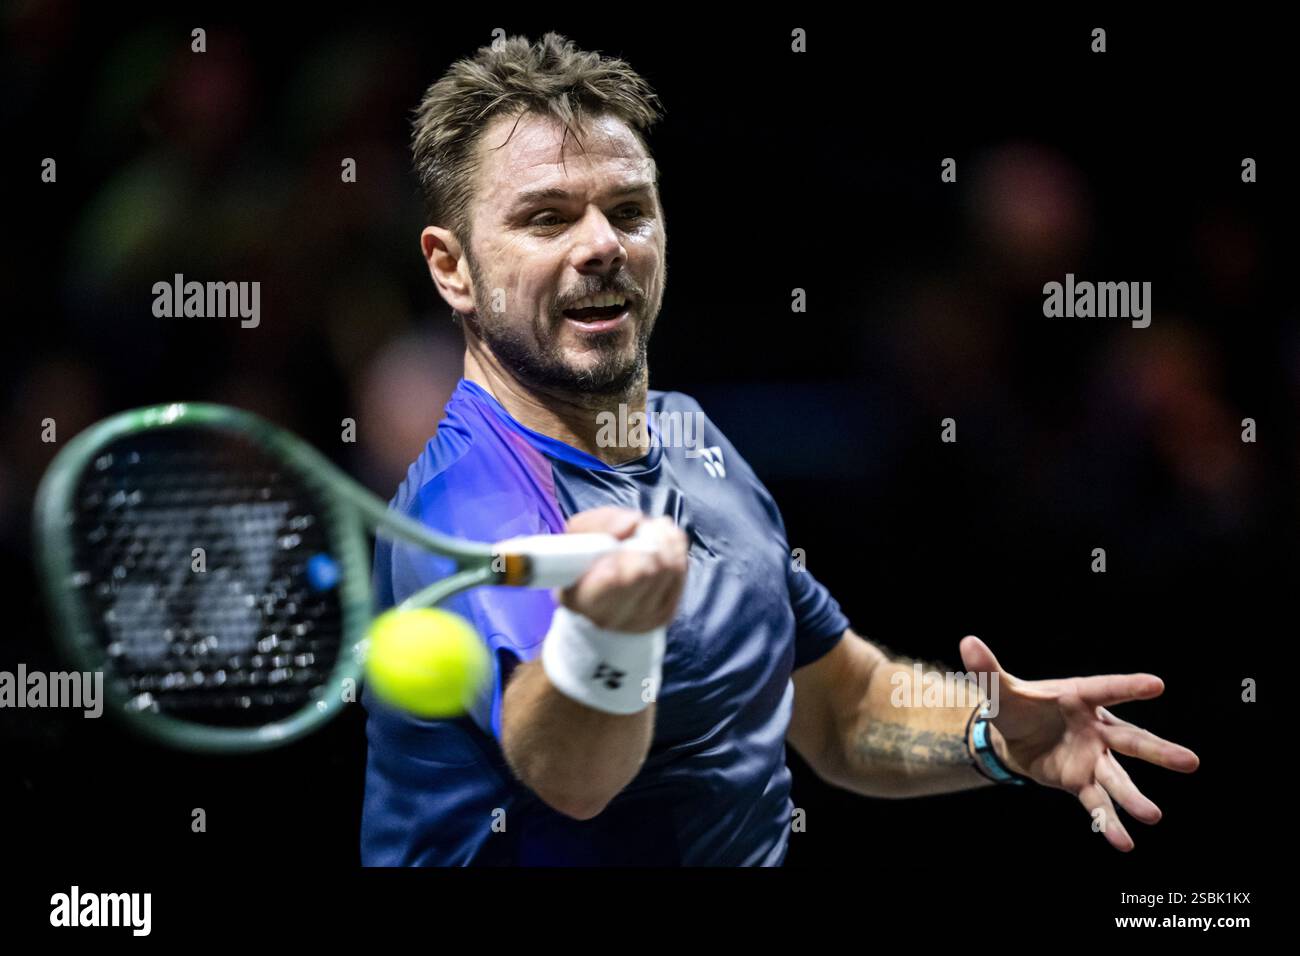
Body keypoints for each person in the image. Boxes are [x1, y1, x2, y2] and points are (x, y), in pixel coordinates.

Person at [360, 33, 1199, 865]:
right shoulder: (467, 506)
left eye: (628, 211)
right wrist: (604, 638)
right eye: (546, 218)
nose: (603, 245)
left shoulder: (689, 435)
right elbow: (571, 778)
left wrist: (991, 736)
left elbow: (843, 708)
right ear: (452, 268)